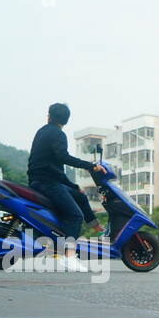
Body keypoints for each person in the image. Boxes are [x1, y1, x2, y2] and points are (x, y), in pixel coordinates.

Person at [28, 102, 106, 270]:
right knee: (75, 216)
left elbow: (55, 167)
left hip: (43, 180)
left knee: (80, 195)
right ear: (66, 120)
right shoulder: (57, 134)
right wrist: (90, 166)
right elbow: (63, 158)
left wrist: (72, 185)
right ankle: (68, 257)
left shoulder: (43, 131)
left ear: (49, 116)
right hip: (46, 182)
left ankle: (97, 228)